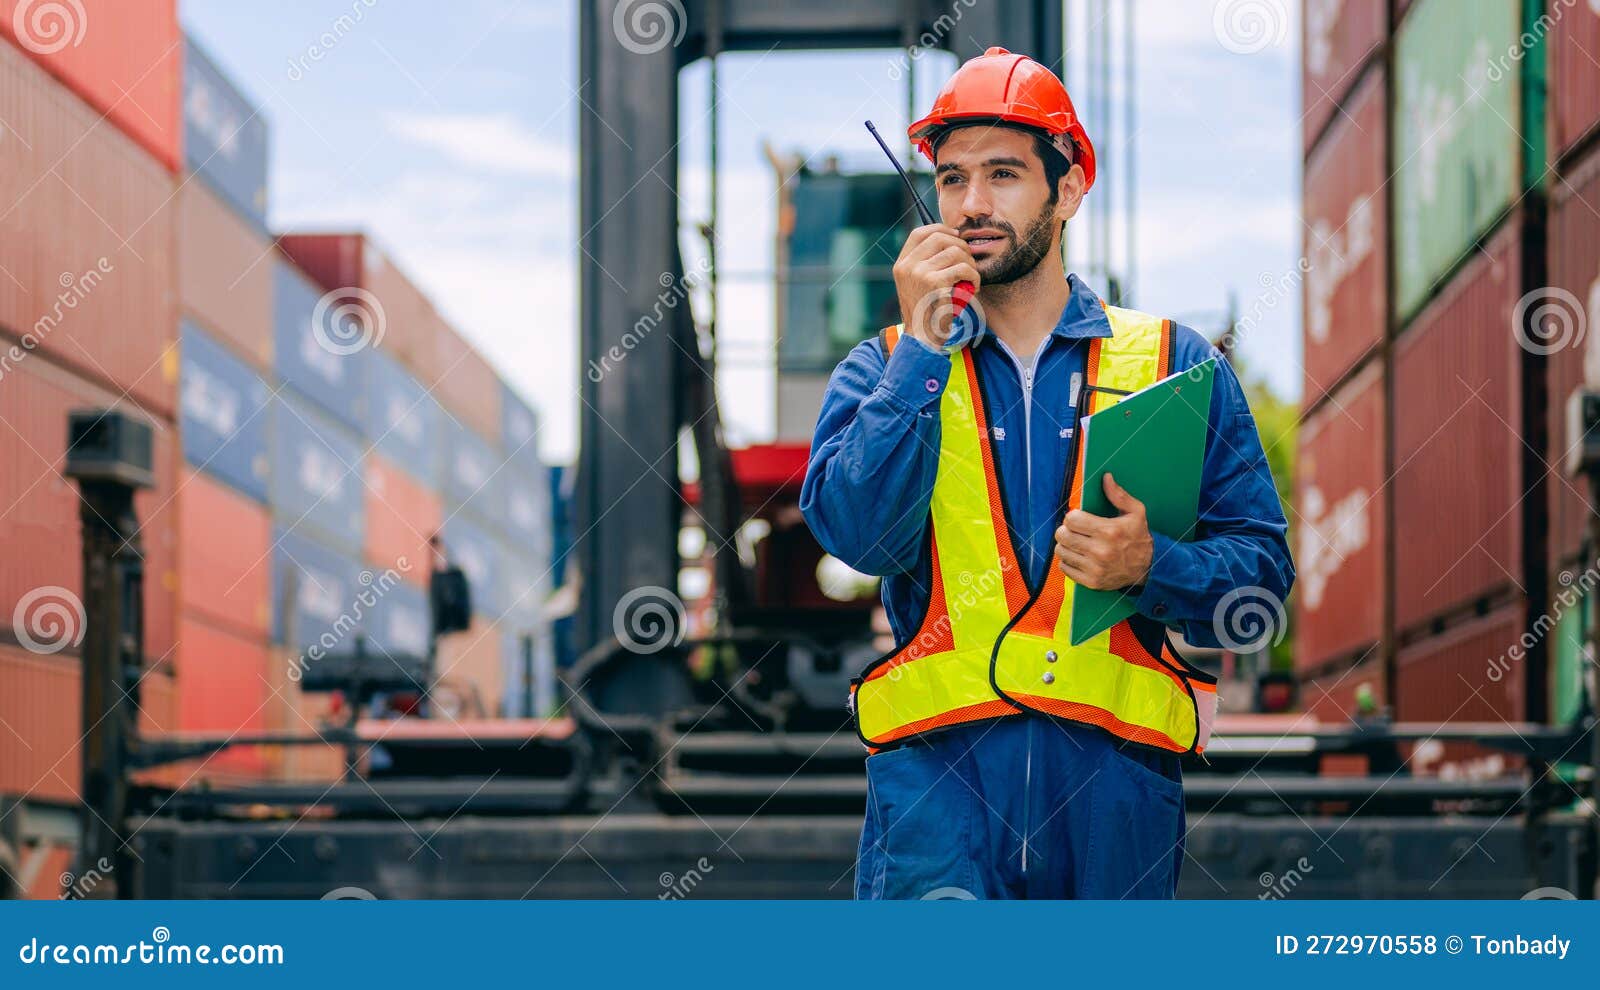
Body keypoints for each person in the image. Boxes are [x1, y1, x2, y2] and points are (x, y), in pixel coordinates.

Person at [800, 47, 1294, 900]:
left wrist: (1155, 567)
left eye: (1003, 174)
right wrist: (922, 347)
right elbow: (859, 538)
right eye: (952, 180)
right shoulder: (885, 365)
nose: (973, 206)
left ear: (1066, 191)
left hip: (1113, 809)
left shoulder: (1174, 367)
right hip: (936, 810)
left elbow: (1264, 591)